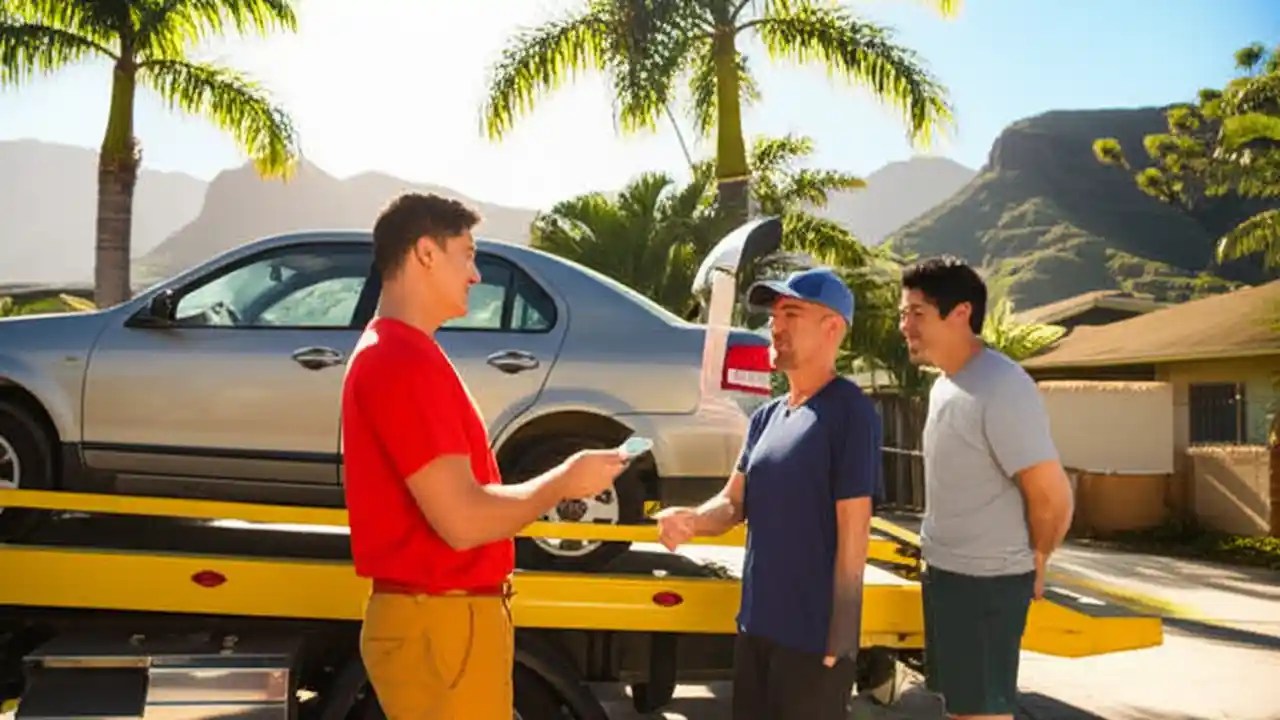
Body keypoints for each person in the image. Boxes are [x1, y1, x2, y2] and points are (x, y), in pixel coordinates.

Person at [340, 192, 628, 720]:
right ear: (426, 253)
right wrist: (562, 482)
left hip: (442, 622)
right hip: (443, 623)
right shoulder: (400, 360)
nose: (475, 274)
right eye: (467, 254)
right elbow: (464, 520)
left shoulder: (400, 353)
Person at [655, 266, 882, 720]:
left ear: (832, 326)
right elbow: (734, 502)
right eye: (774, 316)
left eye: (790, 313)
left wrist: (842, 636)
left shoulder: (851, 413)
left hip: (812, 641)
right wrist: (694, 518)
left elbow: (854, 531)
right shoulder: (767, 417)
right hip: (756, 628)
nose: (774, 327)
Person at [897, 256, 1074, 720]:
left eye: (917, 314)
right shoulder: (946, 384)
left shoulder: (1002, 386)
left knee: (981, 714)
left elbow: (1052, 494)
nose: (905, 326)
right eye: (903, 314)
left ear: (961, 314)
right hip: (947, 574)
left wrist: (1037, 559)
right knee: (960, 708)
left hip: (987, 583)